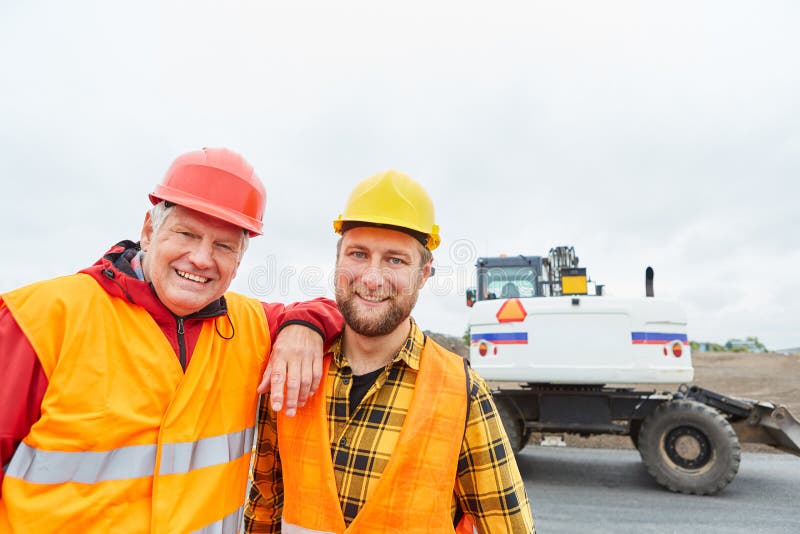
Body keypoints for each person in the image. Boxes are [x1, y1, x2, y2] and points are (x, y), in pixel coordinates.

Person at [0, 147, 344, 533]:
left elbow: (328, 308)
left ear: (239, 261)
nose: (200, 258)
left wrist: (305, 328)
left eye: (223, 246)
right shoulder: (42, 317)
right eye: (186, 233)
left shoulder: (252, 326)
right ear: (149, 230)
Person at [244, 170, 535, 533]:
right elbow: (263, 511)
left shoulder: (462, 393)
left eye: (395, 260)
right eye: (358, 254)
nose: (371, 277)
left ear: (424, 273)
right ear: (338, 261)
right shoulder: (294, 371)